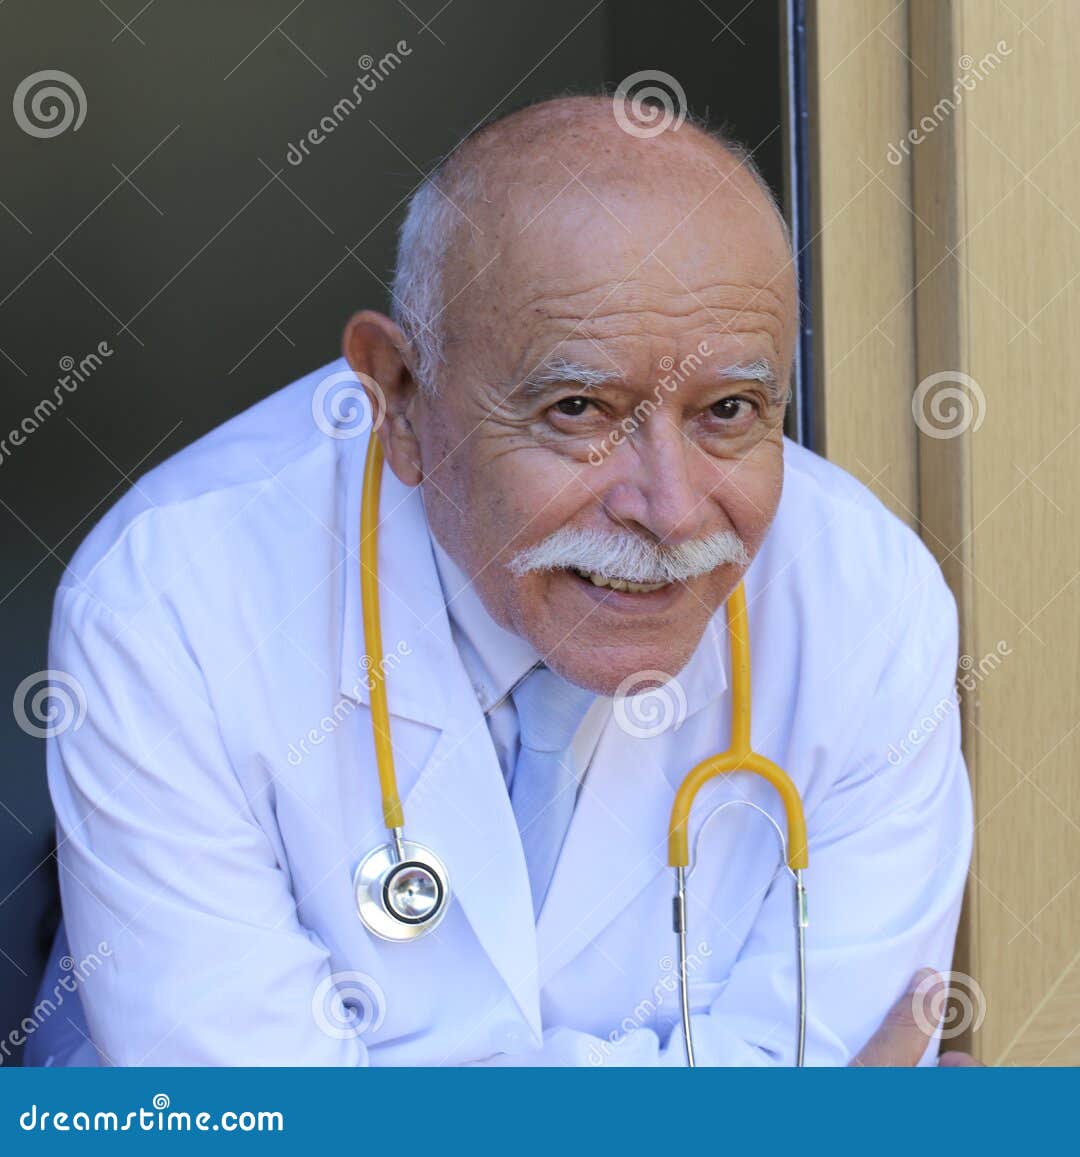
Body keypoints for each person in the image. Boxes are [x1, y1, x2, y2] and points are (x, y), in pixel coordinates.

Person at [26, 95, 973, 1066]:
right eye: (576, 409)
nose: (672, 508)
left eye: (728, 408)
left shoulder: (869, 598)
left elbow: (852, 1060)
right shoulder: (173, 595)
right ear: (399, 396)